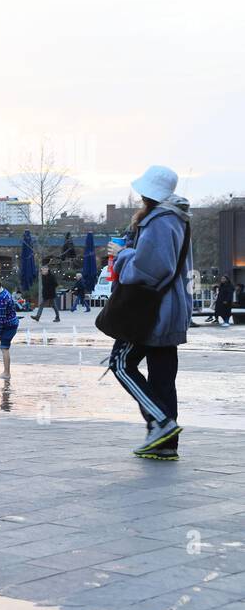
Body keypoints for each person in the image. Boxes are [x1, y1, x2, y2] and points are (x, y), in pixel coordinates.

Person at [106, 166, 193, 462]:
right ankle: (165, 445)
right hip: (173, 309)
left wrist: (122, 257)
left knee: (120, 363)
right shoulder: (179, 219)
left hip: (153, 311)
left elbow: (149, 270)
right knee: (163, 377)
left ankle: (161, 422)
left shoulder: (159, 221)